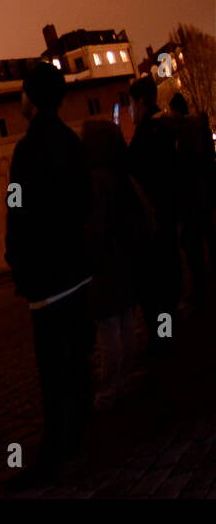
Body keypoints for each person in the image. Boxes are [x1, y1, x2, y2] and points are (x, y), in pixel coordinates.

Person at [5, 62, 94, 489]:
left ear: (33, 98)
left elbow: (16, 208)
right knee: (78, 363)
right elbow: (85, 204)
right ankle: (81, 438)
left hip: (48, 283)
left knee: (55, 370)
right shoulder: (73, 144)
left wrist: (18, 260)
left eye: (23, 92)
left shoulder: (26, 151)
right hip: (78, 273)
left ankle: (56, 451)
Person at [80, 120, 149, 410]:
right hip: (124, 260)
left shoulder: (95, 181)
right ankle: (125, 377)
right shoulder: (122, 175)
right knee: (125, 322)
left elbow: (94, 227)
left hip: (105, 264)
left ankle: (110, 388)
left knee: (109, 328)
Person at [127, 76, 182, 353]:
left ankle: (164, 339)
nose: (129, 111)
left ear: (140, 102)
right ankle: (169, 331)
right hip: (169, 216)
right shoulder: (166, 129)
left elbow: (138, 180)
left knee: (157, 290)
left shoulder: (145, 136)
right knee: (168, 286)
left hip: (153, 224)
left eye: (130, 103)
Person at [168, 93, 214, 304]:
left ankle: (200, 288)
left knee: (193, 244)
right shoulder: (198, 128)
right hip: (204, 194)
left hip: (192, 198)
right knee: (208, 236)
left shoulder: (182, 133)